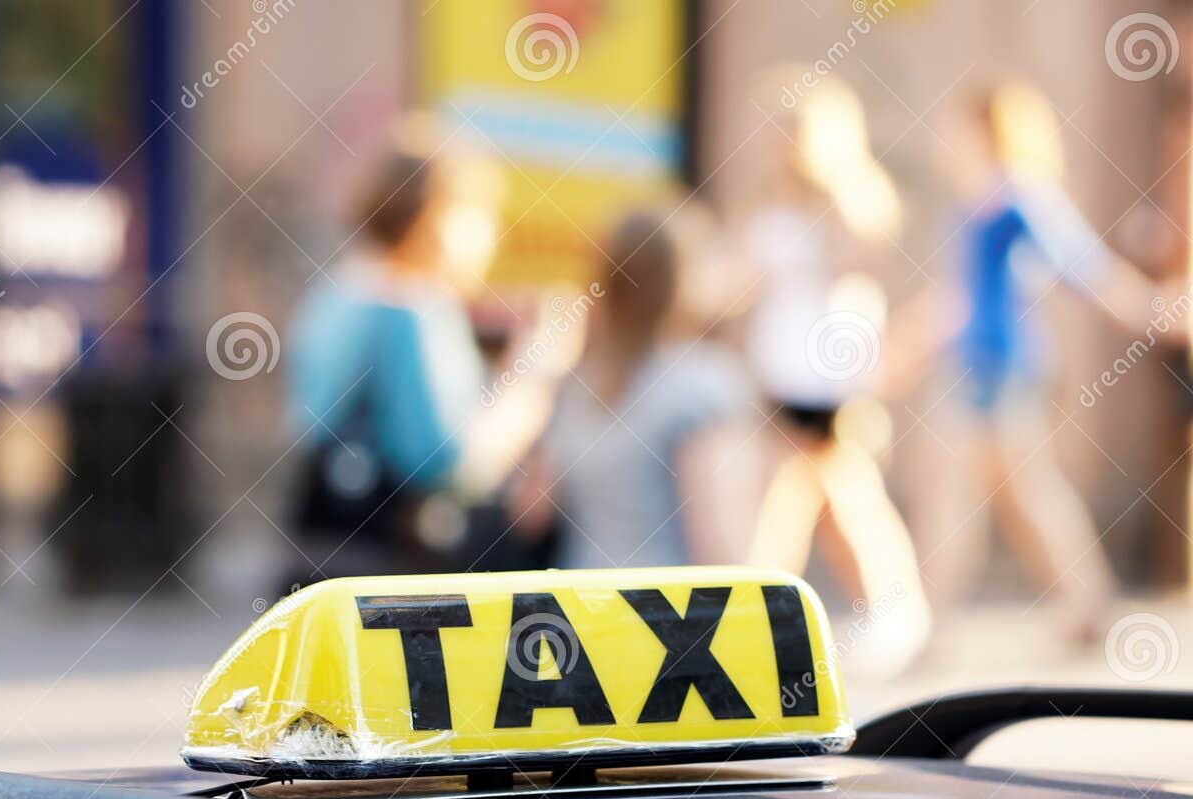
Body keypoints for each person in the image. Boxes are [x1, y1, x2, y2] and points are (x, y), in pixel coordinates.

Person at [903, 82, 1174, 642]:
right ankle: (1085, 607)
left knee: (962, 493)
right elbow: (957, 298)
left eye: (958, 127)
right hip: (974, 369)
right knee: (1018, 493)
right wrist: (905, 345)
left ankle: (929, 622)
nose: (944, 139)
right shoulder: (973, 207)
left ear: (987, 131)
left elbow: (1086, 269)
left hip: (1002, 373)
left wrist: (1153, 310)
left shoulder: (1021, 200)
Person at [285, 119, 568, 583]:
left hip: (326, 562)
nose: (491, 239)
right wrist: (533, 375)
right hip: (394, 581)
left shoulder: (333, 295)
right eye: (483, 217)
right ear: (438, 214)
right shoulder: (415, 309)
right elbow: (451, 464)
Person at [736, 78, 930, 671]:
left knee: (818, 496)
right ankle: (773, 613)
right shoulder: (769, 203)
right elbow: (738, 279)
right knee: (826, 499)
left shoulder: (843, 202)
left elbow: (858, 262)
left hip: (823, 380)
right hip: (782, 375)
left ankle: (758, 615)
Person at [535, 207, 762, 570]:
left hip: (576, 607)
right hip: (667, 616)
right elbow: (724, 552)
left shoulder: (578, 383)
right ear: (683, 279)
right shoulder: (705, 385)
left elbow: (533, 510)